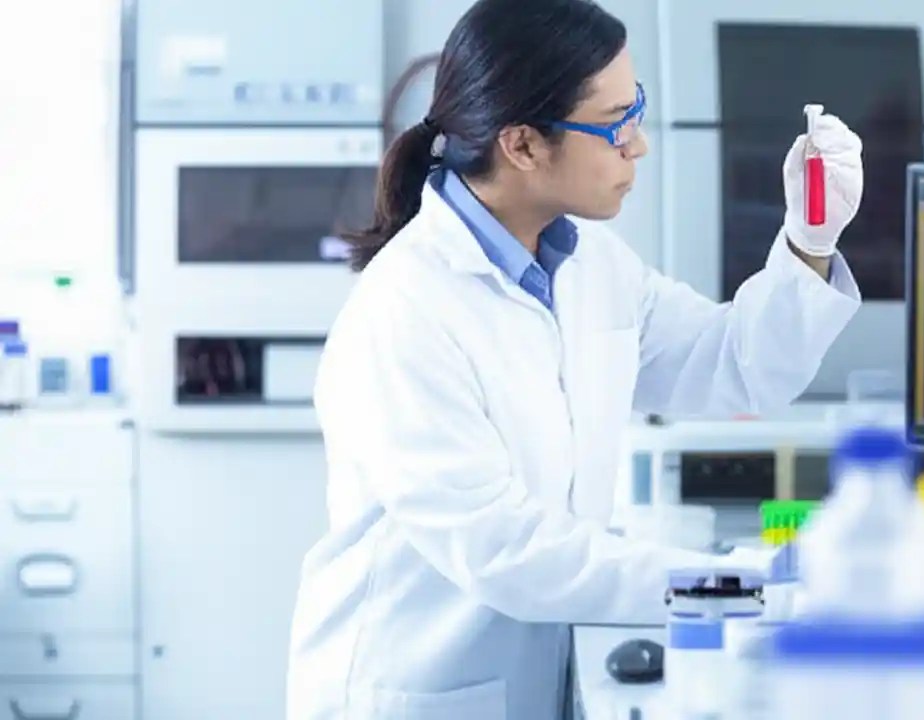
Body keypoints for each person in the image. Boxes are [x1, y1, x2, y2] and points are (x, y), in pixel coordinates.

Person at [286, 0, 865, 718]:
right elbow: (509, 552)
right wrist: (736, 586)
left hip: (529, 675)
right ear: (524, 145)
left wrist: (811, 238)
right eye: (617, 122)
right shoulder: (405, 313)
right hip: (418, 691)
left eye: (638, 107)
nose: (639, 144)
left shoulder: (587, 263)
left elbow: (733, 364)